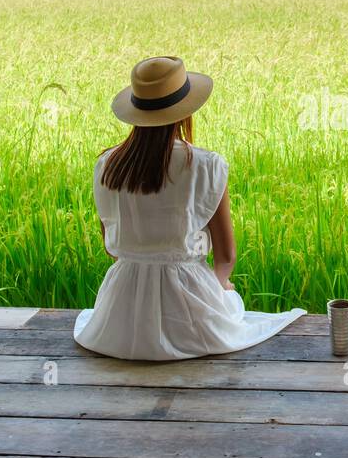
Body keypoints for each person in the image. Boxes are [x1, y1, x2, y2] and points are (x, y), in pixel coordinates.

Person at [73, 56, 306, 359]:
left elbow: (112, 248)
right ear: (185, 113)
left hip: (118, 315)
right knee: (232, 306)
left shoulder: (108, 166)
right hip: (188, 310)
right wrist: (221, 286)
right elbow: (226, 256)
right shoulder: (205, 166)